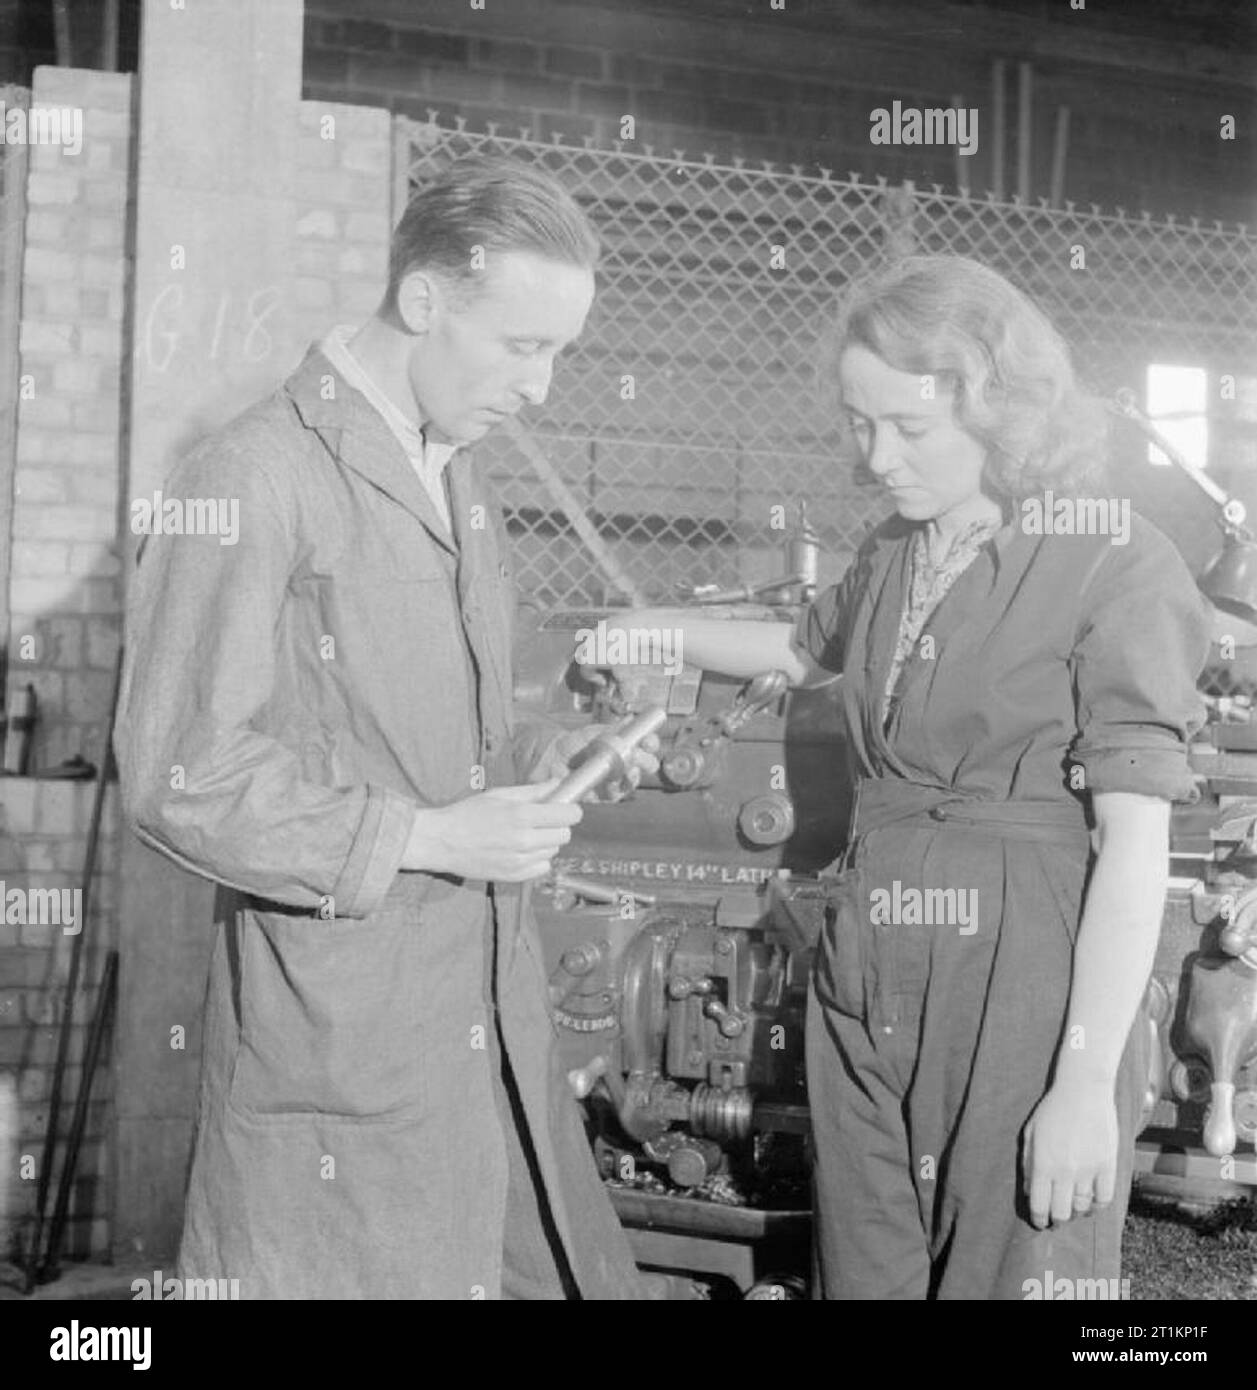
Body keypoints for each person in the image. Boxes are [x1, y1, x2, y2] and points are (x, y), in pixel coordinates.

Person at [610, 255, 1209, 1299]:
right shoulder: (897, 551)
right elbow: (803, 649)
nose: (875, 456)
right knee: (865, 1273)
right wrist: (643, 628)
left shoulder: (1116, 560)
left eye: (909, 428)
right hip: (867, 948)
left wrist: (1078, 1082)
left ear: (999, 410)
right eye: (858, 422)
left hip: (1023, 972)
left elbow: (1135, 846)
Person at [115, 155, 658, 1300]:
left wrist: (542, 764)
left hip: (482, 1025)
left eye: (562, 351)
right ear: (423, 303)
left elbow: (411, 745)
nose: (547, 388)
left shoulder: (455, 477)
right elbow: (176, 771)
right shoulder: (254, 474)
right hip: (342, 1043)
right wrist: (429, 838)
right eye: (523, 346)